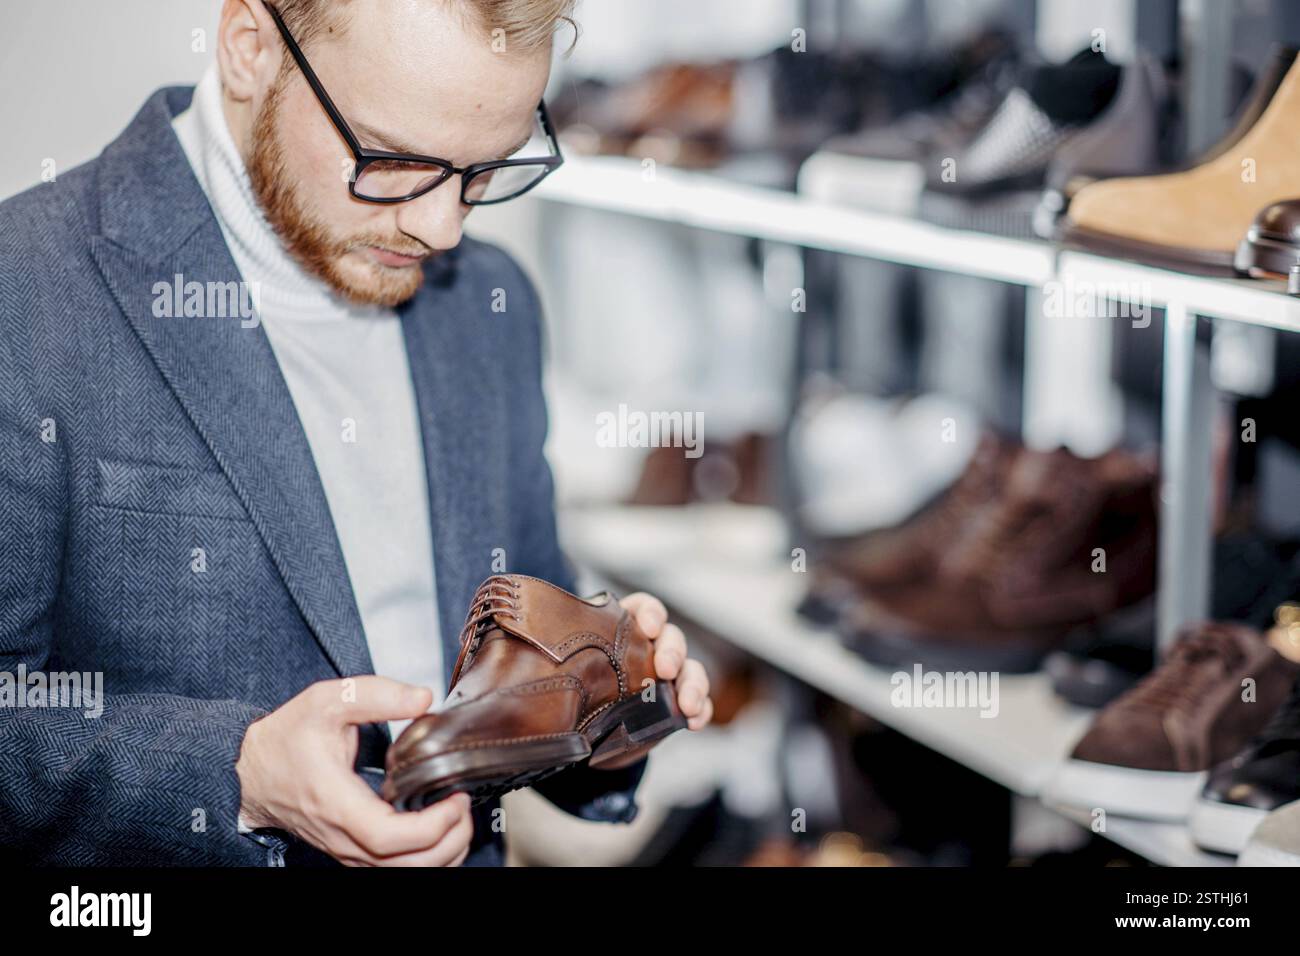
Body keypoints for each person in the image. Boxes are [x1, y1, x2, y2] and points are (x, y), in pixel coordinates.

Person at [0, 0, 712, 867]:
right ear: (250, 47)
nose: (443, 227)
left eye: (488, 168)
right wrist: (241, 777)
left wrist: (605, 702)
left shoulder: (493, 307)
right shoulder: (23, 293)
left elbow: (512, 674)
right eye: (395, 160)